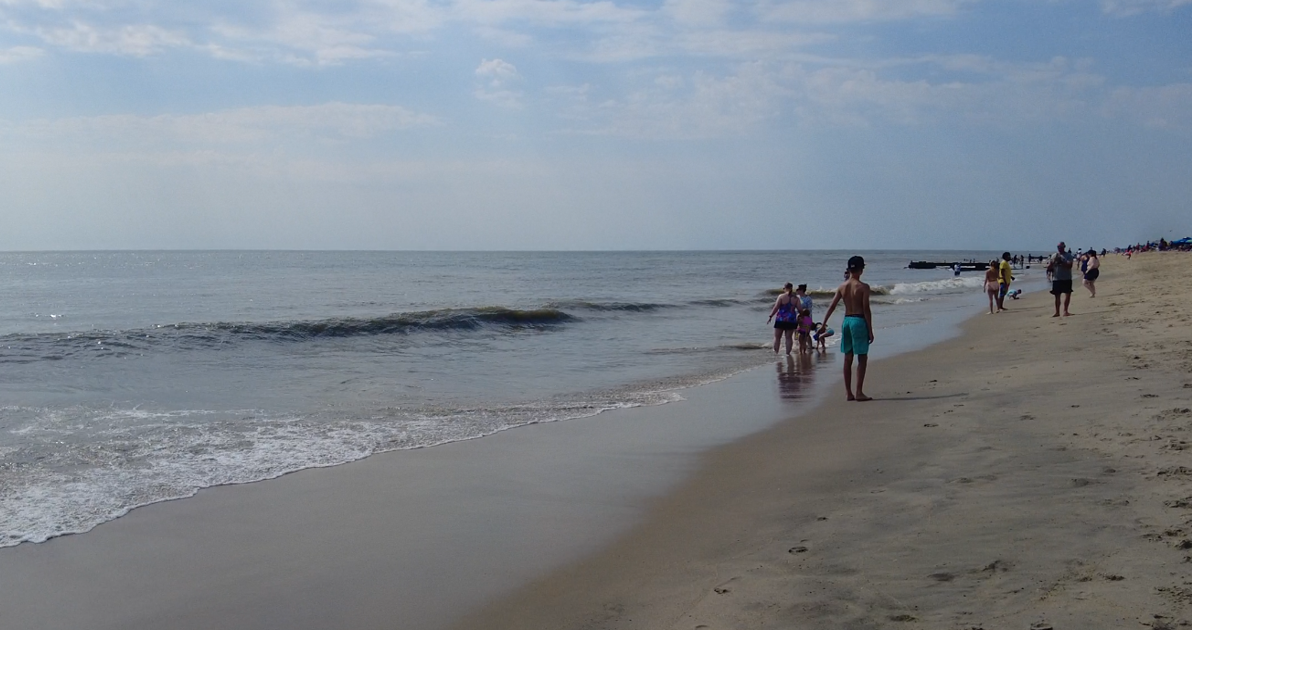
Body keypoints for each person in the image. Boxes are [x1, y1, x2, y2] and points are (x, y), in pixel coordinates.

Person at [820, 255, 874, 402]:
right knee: (862, 357)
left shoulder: (842, 286)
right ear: (861, 269)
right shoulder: (863, 287)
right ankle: (859, 392)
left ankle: (848, 393)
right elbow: (866, 309)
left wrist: (824, 324)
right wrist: (870, 329)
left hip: (846, 321)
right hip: (859, 321)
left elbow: (832, 306)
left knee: (847, 357)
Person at [767, 282, 802, 355]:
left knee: (777, 337)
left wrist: (770, 316)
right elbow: (799, 309)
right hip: (791, 320)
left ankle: (776, 353)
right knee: (788, 338)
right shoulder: (796, 298)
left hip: (781, 319)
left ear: (785, 288)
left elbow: (776, 307)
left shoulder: (781, 296)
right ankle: (788, 354)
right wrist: (803, 317)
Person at [1046, 241, 1075, 317]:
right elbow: (1049, 267)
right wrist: (1051, 264)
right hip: (1056, 278)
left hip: (1066, 278)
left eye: (1061, 247)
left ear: (1064, 247)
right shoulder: (1054, 255)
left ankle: (1065, 311)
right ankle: (1057, 312)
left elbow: (1069, 266)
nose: (1059, 248)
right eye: (1058, 247)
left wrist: (1061, 261)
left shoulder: (1068, 255)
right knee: (1057, 295)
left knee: (1067, 294)